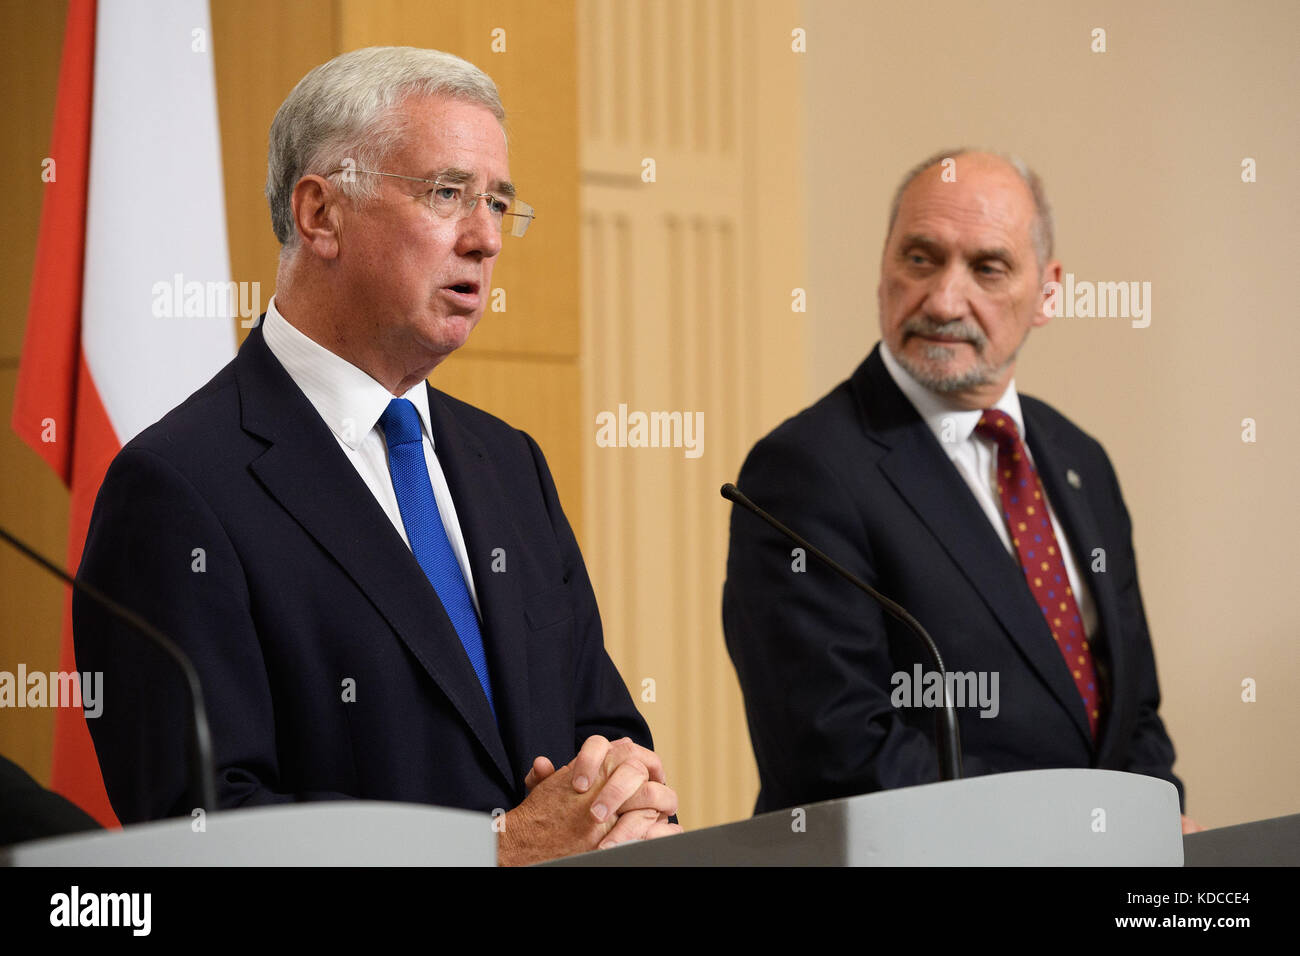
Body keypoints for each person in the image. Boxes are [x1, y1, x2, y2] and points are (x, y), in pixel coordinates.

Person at [73, 46, 679, 865]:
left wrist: (623, 792)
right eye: (447, 194)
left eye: (499, 203)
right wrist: (489, 852)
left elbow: (596, 727)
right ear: (321, 214)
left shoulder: (509, 465)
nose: (485, 238)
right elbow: (205, 832)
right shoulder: (178, 488)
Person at [723, 149, 1200, 832]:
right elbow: (840, 757)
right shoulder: (801, 472)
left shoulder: (1080, 461)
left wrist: (1157, 829)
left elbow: (1132, 714)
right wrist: (1086, 838)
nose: (945, 300)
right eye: (920, 258)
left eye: (987, 267)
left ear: (1049, 291)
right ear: (884, 263)